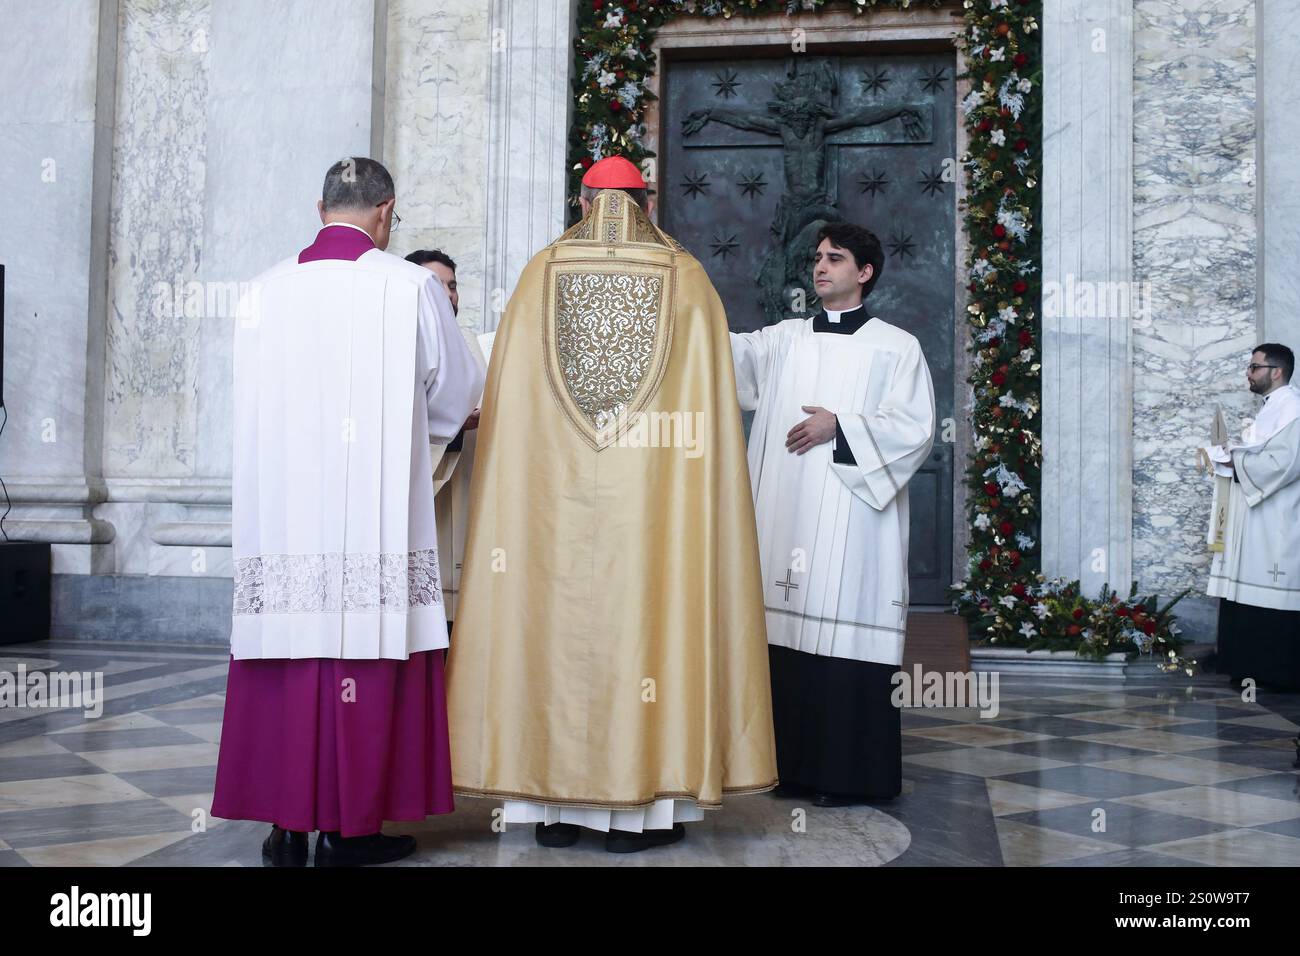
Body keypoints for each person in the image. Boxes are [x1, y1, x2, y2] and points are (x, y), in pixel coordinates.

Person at [446, 155, 777, 853]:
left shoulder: (539, 275)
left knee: (552, 631)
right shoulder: (686, 278)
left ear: (584, 201)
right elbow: (710, 416)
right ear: (645, 203)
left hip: (550, 512)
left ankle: (553, 811)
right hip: (656, 513)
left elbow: (510, 408)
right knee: (650, 630)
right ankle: (636, 817)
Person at [212, 158, 483, 866]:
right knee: (367, 651)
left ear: (320, 207)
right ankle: (349, 830)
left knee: (288, 651)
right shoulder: (411, 286)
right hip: (374, 506)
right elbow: (458, 390)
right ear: (386, 212)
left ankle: (287, 829)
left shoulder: (262, 290)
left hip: (285, 511)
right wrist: (412, 437)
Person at [730, 221, 935, 806]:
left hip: (855, 525)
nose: (821, 266)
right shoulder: (784, 339)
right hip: (786, 518)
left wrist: (839, 427)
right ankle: (785, 769)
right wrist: (677, 303)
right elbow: (723, 354)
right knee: (784, 641)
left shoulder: (896, 347)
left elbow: (914, 429)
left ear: (864, 272)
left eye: (836, 258)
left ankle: (847, 778)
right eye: (818, 257)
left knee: (843, 642)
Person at [1204, 343, 1300, 690]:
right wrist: (1232, 454)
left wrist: (1236, 460)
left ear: (1277, 371)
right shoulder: (1273, 407)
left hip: (1278, 519)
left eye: (1255, 367)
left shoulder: (1293, 408)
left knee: (1272, 592)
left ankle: (1274, 673)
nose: (1249, 373)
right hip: (1259, 517)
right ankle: (1247, 667)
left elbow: (1285, 462)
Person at [405, 249, 487, 632]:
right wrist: (452, 430)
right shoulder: (400, 346)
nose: (449, 295)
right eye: (438, 286)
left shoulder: (474, 345)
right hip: (426, 512)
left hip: (470, 502)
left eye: (453, 286)